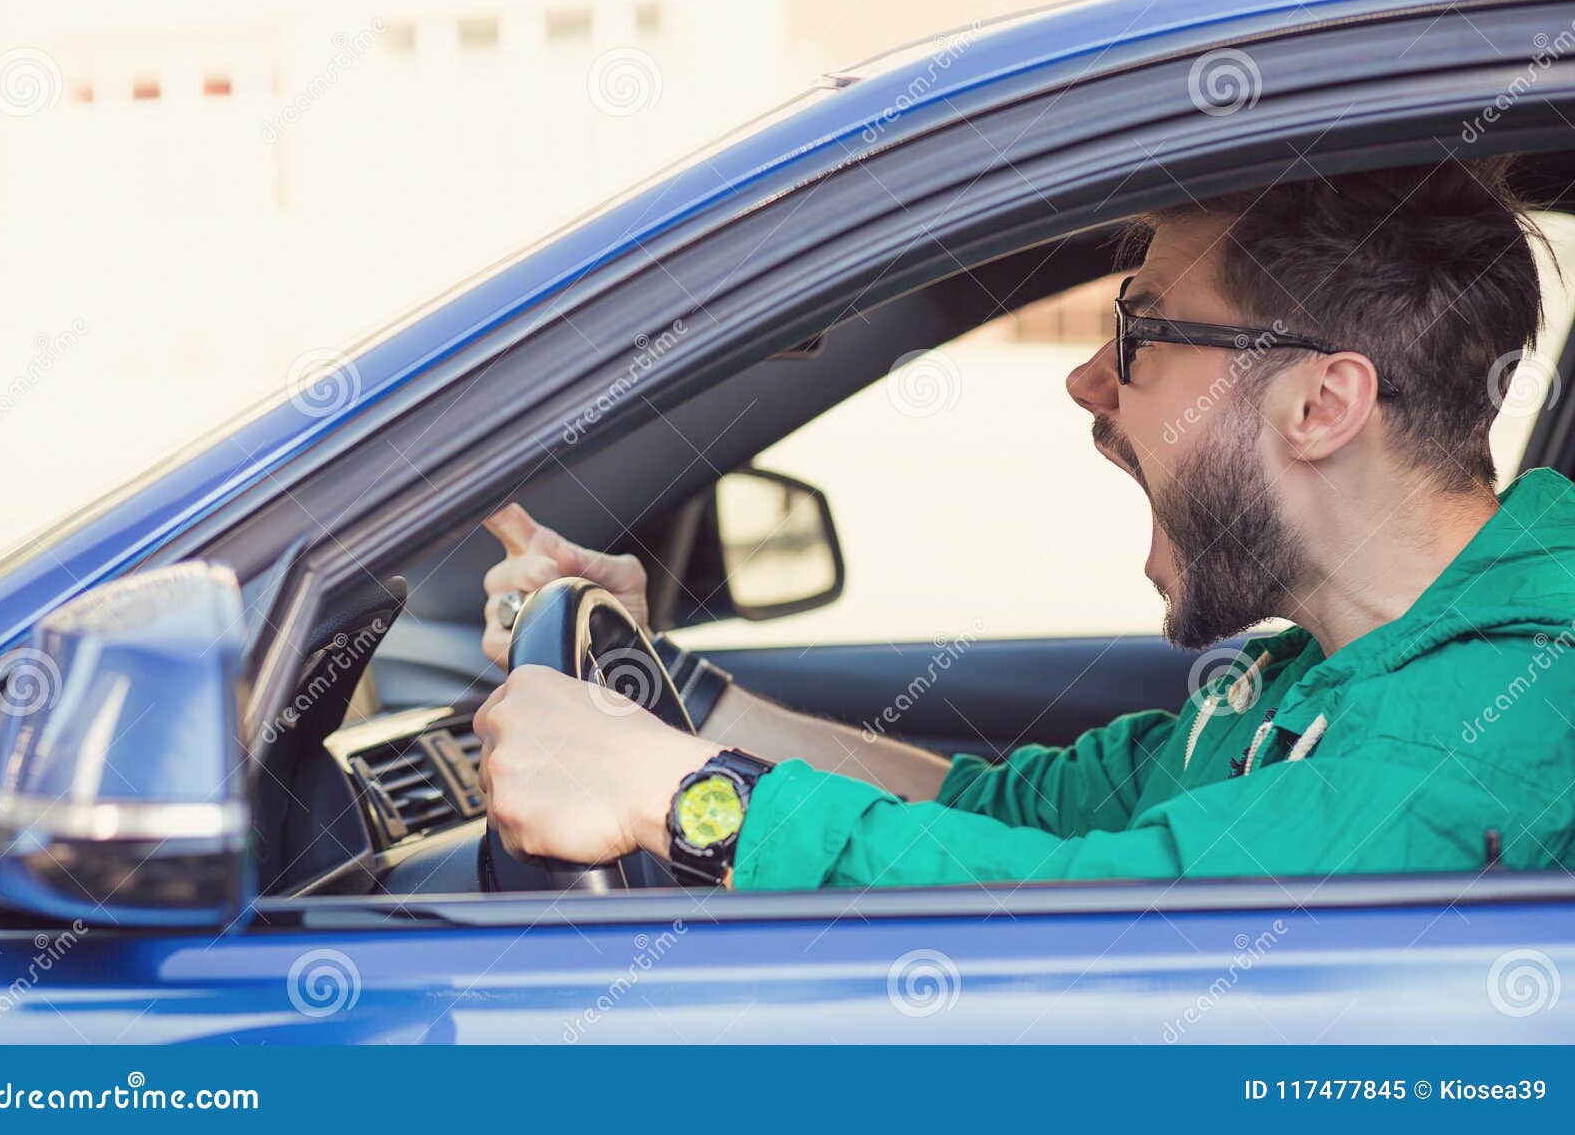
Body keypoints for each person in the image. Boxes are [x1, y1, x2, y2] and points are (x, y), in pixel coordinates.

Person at [472, 161, 1575, 891]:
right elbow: (1004, 814)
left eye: (1139, 332)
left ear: (1319, 405)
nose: (1087, 379)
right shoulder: (1311, 676)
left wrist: (679, 796)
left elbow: (1115, 938)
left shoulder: (1479, 730)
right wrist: (668, 693)